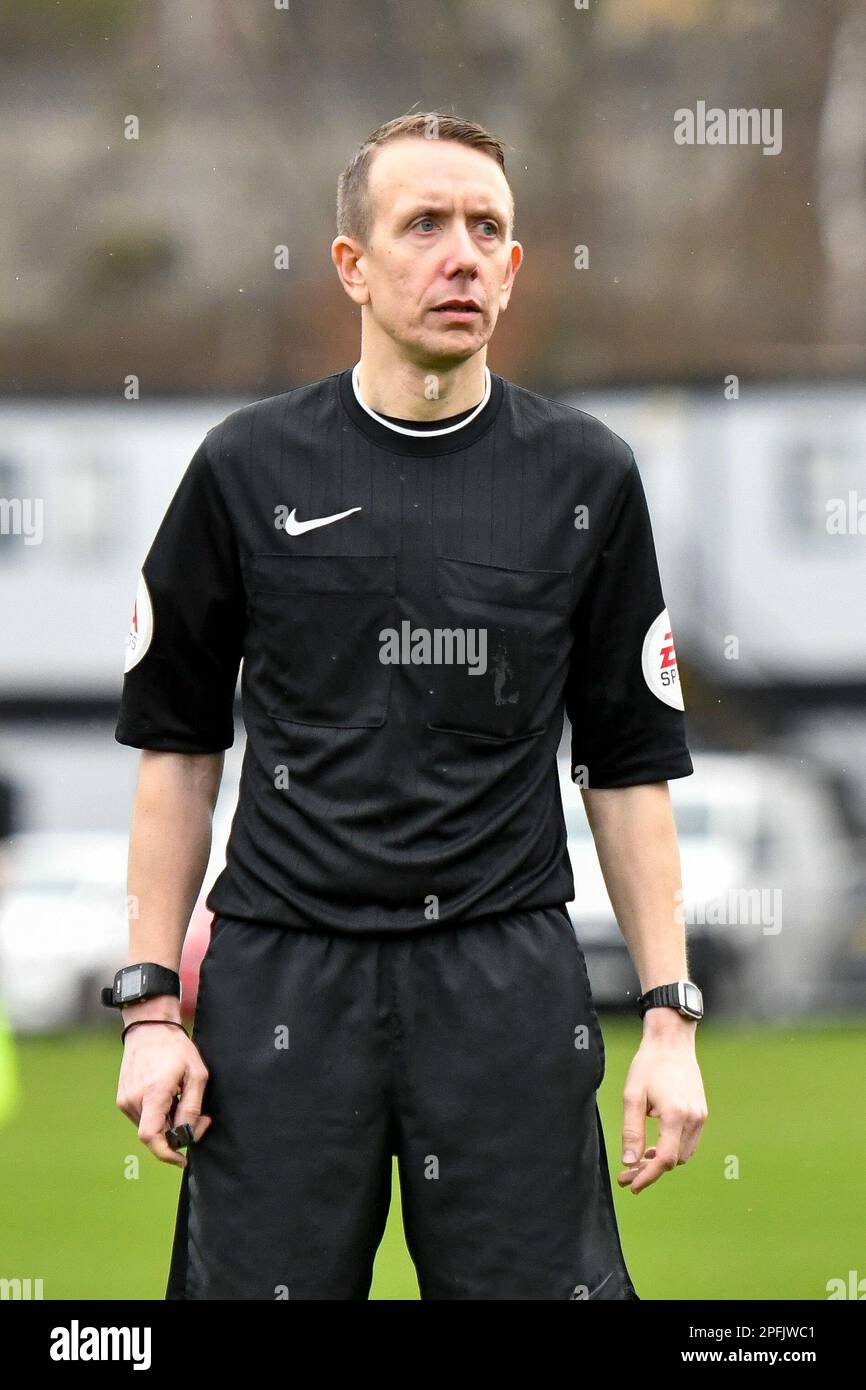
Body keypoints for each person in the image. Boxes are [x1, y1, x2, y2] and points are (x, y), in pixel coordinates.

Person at [108, 111, 708, 1301]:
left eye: (487, 229)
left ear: (515, 266)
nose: (461, 255)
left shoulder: (585, 476)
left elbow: (627, 765)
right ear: (351, 265)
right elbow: (177, 751)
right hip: (283, 982)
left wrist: (669, 1017)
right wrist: (147, 1009)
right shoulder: (244, 468)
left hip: (503, 984)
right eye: (423, 225)